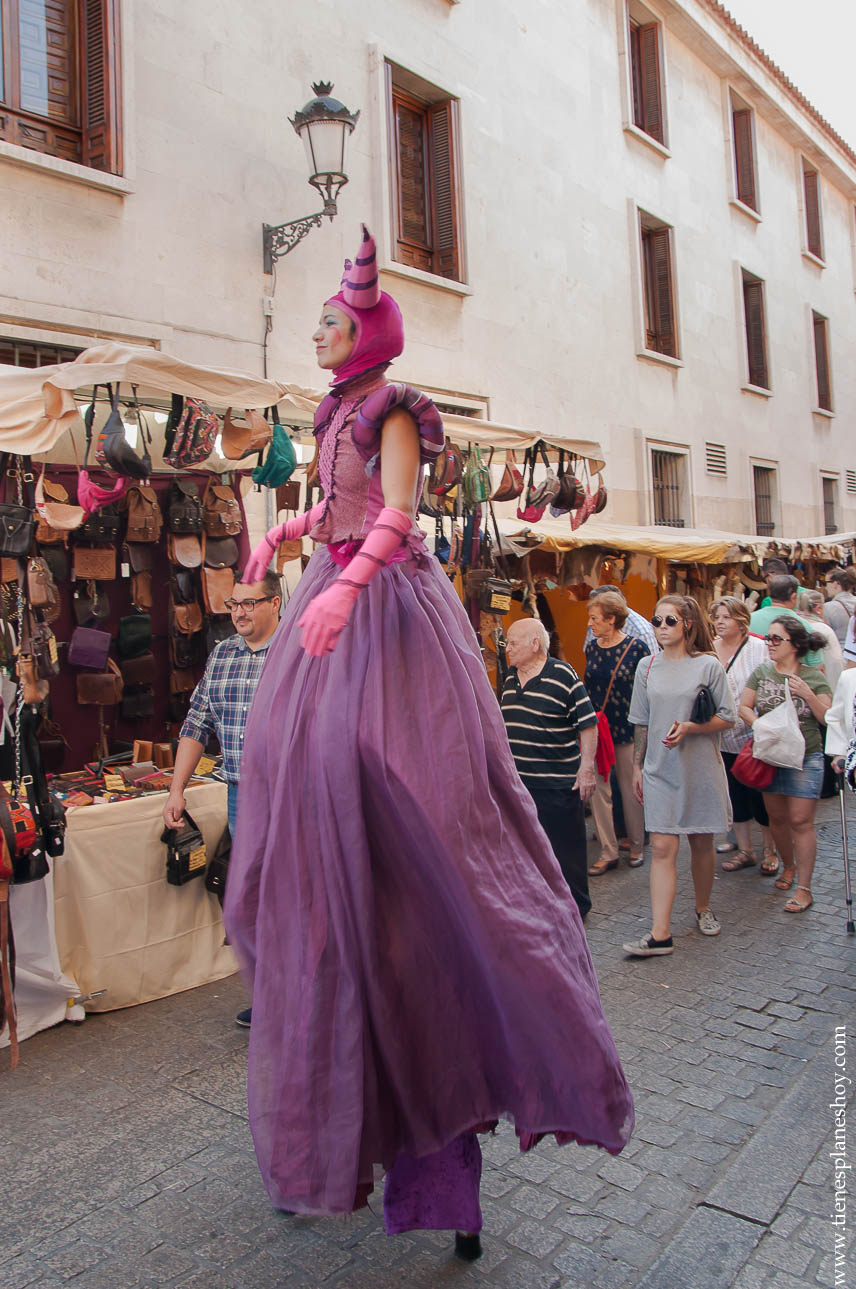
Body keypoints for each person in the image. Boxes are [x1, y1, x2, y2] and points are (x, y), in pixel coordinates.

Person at [223, 226, 633, 1256]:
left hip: (386, 613)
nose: (316, 331)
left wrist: (346, 586)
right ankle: (329, 1110)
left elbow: (396, 514)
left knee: (410, 791)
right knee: (299, 784)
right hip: (333, 595)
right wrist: (279, 536)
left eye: (330, 319)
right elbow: (337, 508)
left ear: (366, 331)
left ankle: (450, 1148)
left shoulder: (392, 410)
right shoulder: (331, 413)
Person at [164, 572, 281, 1028]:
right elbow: (197, 723)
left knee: (292, 893)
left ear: (274, 603)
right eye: (234, 604)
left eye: (249, 603)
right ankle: (271, 996)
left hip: (290, 795)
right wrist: (176, 789)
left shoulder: (299, 652)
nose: (239, 613)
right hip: (240, 796)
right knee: (251, 897)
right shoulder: (222, 655)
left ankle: (307, 994)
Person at [622, 595, 736, 958]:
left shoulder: (708, 666)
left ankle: (703, 908)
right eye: (656, 621)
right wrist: (637, 766)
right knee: (662, 847)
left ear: (688, 623)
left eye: (669, 620)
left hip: (699, 768)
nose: (661, 627)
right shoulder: (647, 666)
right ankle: (661, 933)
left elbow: (728, 717)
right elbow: (641, 721)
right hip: (659, 768)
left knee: (701, 842)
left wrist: (691, 727)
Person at [501, 617, 598, 919]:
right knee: (528, 849)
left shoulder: (562, 674)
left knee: (566, 850)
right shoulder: (509, 678)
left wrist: (587, 768)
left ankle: (576, 908)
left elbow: (587, 724)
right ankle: (540, 905)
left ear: (534, 644)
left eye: (513, 642)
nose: (507, 648)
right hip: (521, 784)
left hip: (558, 783)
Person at [738, 616, 832, 913]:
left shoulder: (813, 677)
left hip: (806, 757)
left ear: (795, 644)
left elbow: (827, 717)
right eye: (769, 638)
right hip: (771, 756)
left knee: (801, 822)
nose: (769, 643)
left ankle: (804, 888)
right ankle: (788, 866)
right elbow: (744, 706)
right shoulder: (762, 673)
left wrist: (807, 694)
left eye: (776, 639)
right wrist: (760, 725)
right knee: (776, 818)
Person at [583, 590, 649, 874]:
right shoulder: (592, 648)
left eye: (595, 618)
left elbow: (646, 692)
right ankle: (608, 851)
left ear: (611, 619)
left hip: (627, 728)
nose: (590, 623)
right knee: (599, 789)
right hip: (599, 729)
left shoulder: (637, 649)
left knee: (629, 788)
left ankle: (636, 846)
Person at [710, 597, 777, 874]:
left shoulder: (758, 648)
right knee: (734, 795)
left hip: (754, 736)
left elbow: (771, 684)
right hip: (723, 737)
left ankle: (771, 850)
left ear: (741, 621)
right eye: (716, 617)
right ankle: (746, 850)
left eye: (726, 617)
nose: (720, 622)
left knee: (761, 796)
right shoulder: (711, 649)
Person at [749, 575, 824, 668]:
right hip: (793, 676)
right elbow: (818, 666)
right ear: (794, 596)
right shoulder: (803, 625)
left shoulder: (749, 621)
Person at [584, 584, 659, 654]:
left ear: (611, 617)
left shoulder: (640, 632)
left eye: (594, 617)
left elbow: (652, 662)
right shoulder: (595, 625)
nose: (589, 623)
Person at [798, 589, 843, 690]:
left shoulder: (794, 626)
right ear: (818, 608)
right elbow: (835, 660)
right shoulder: (824, 629)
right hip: (821, 683)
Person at [822, 566, 856, 649]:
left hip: (841, 652)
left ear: (835, 584)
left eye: (826, 583)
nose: (825, 587)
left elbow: (825, 636)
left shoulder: (828, 607)